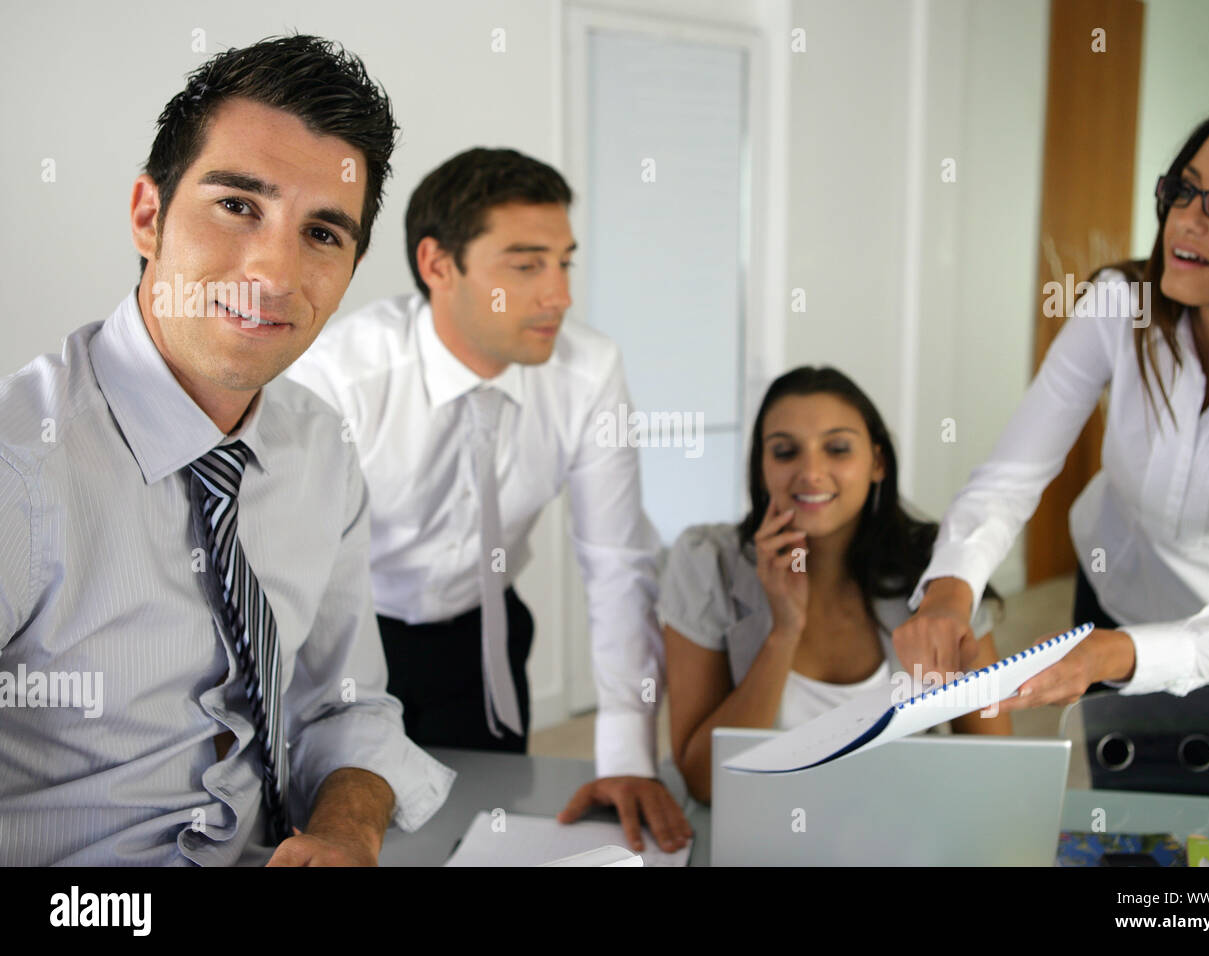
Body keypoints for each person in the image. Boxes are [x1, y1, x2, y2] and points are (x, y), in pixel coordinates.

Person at [0, 35, 455, 866]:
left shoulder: (320, 450)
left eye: (322, 233)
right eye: (238, 205)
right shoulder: (17, 469)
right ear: (148, 214)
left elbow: (341, 707)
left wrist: (347, 831)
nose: (274, 272)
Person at [286, 148, 691, 854]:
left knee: (484, 830)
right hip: (346, 644)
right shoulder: (342, 376)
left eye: (564, 262)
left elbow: (618, 562)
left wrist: (627, 757)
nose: (559, 294)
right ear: (440, 265)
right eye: (527, 264)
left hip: (487, 640)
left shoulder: (587, 371)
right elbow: (285, 570)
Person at [895, 94, 1209, 712]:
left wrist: (1122, 654)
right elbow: (1013, 475)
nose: (1188, 220)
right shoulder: (1120, 306)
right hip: (1112, 598)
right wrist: (950, 587)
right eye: (1185, 191)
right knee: (1123, 794)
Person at [658, 367, 1012, 803]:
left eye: (838, 449)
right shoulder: (705, 561)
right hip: (760, 828)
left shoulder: (940, 570)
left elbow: (997, 763)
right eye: (785, 452)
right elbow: (705, 783)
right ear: (762, 467)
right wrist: (784, 632)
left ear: (877, 463)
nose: (810, 472)